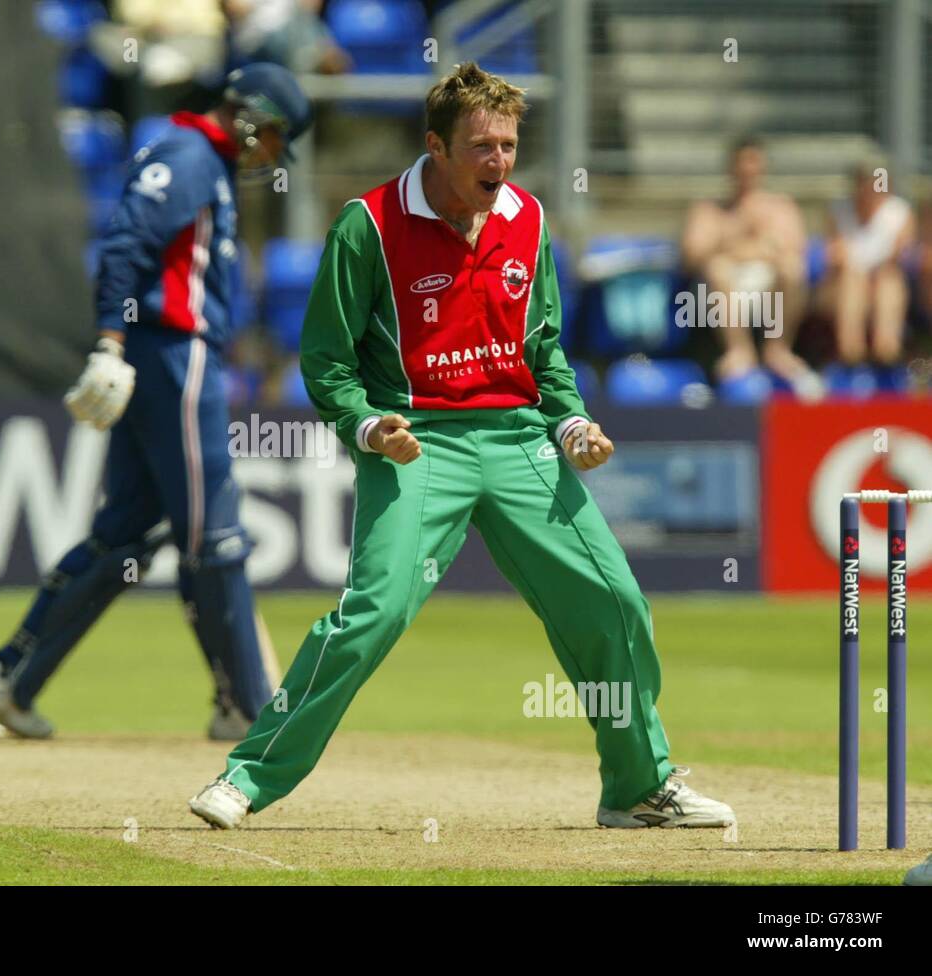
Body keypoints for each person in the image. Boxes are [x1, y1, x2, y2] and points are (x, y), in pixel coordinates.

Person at [189, 62, 736, 831]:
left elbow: (543, 353)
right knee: (373, 613)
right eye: (481, 146)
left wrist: (572, 423)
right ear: (435, 147)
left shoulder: (530, 220)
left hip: (519, 440)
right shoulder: (369, 224)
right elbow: (326, 361)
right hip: (416, 443)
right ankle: (247, 776)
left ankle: (636, 786)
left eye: (508, 145)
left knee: (615, 602)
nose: (498, 163)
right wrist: (370, 426)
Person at [0, 63, 312, 741]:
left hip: (164, 355)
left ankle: (10, 673)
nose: (271, 155)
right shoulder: (189, 157)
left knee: (127, 532)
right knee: (215, 533)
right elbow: (125, 240)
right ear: (250, 119)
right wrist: (109, 341)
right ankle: (248, 705)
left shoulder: (194, 158)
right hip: (176, 356)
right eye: (273, 137)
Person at [681, 136, 819, 395]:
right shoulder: (709, 210)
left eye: (753, 162)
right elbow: (692, 256)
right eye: (741, 163)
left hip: (769, 291)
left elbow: (794, 250)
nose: (747, 169)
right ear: (731, 168)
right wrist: (745, 242)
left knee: (791, 268)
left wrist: (741, 247)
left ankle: (777, 349)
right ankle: (739, 351)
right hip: (716, 295)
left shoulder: (781, 207)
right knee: (717, 267)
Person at [819, 158, 916, 368]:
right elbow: (834, 256)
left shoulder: (899, 213)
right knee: (851, 280)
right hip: (842, 287)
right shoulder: (838, 212)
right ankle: (851, 352)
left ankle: (886, 349)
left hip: (884, 287)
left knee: (887, 280)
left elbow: (901, 257)